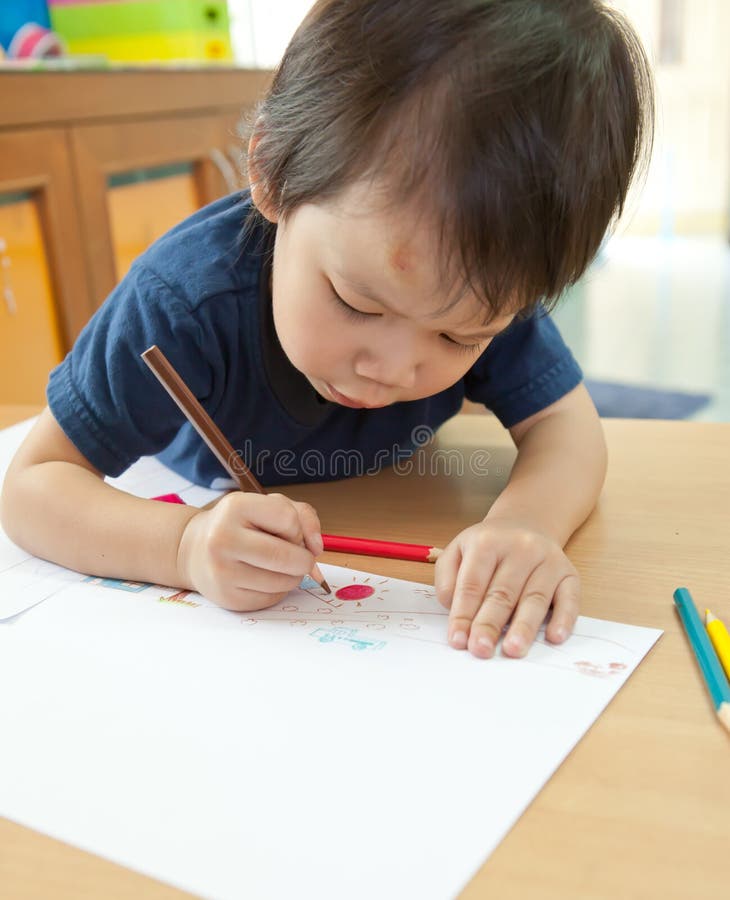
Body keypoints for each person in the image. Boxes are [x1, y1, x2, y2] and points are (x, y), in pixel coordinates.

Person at [0, 0, 653, 659]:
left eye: (460, 339)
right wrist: (185, 546)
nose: (394, 370)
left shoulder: (479, 281)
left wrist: (527, 526)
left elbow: (567, 428)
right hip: (214, 512)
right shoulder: (182, 302)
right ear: (271, 174)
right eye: (357, 303)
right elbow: (33, 487)